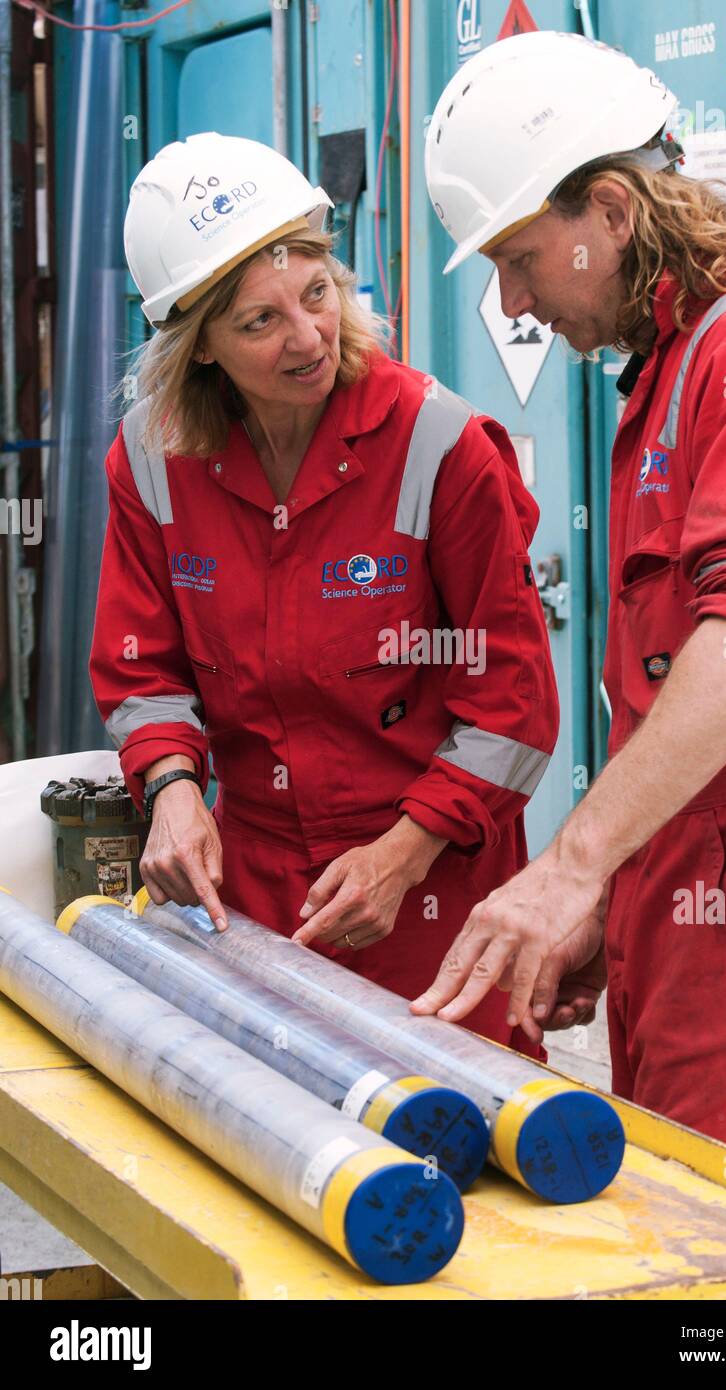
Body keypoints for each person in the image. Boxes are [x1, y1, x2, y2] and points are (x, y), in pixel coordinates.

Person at [417, 30, 726, 1239]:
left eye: (517, 259)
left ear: (610, 210)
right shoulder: (668, 376)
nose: (509, 300)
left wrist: (568, 865)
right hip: (701, 936)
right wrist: (617, 900)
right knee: (686, 1245)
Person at [89, 131, 558, 1054]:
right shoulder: (152, 456)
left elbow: (512, 705)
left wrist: (405, 853)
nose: (308, 339)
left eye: (317, 296)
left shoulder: (439, 444)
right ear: (200, 347)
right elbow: (141, 663)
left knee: (464, 1138)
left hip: (430, 885)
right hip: (250, 882)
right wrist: (175, 788)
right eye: (259, 323)